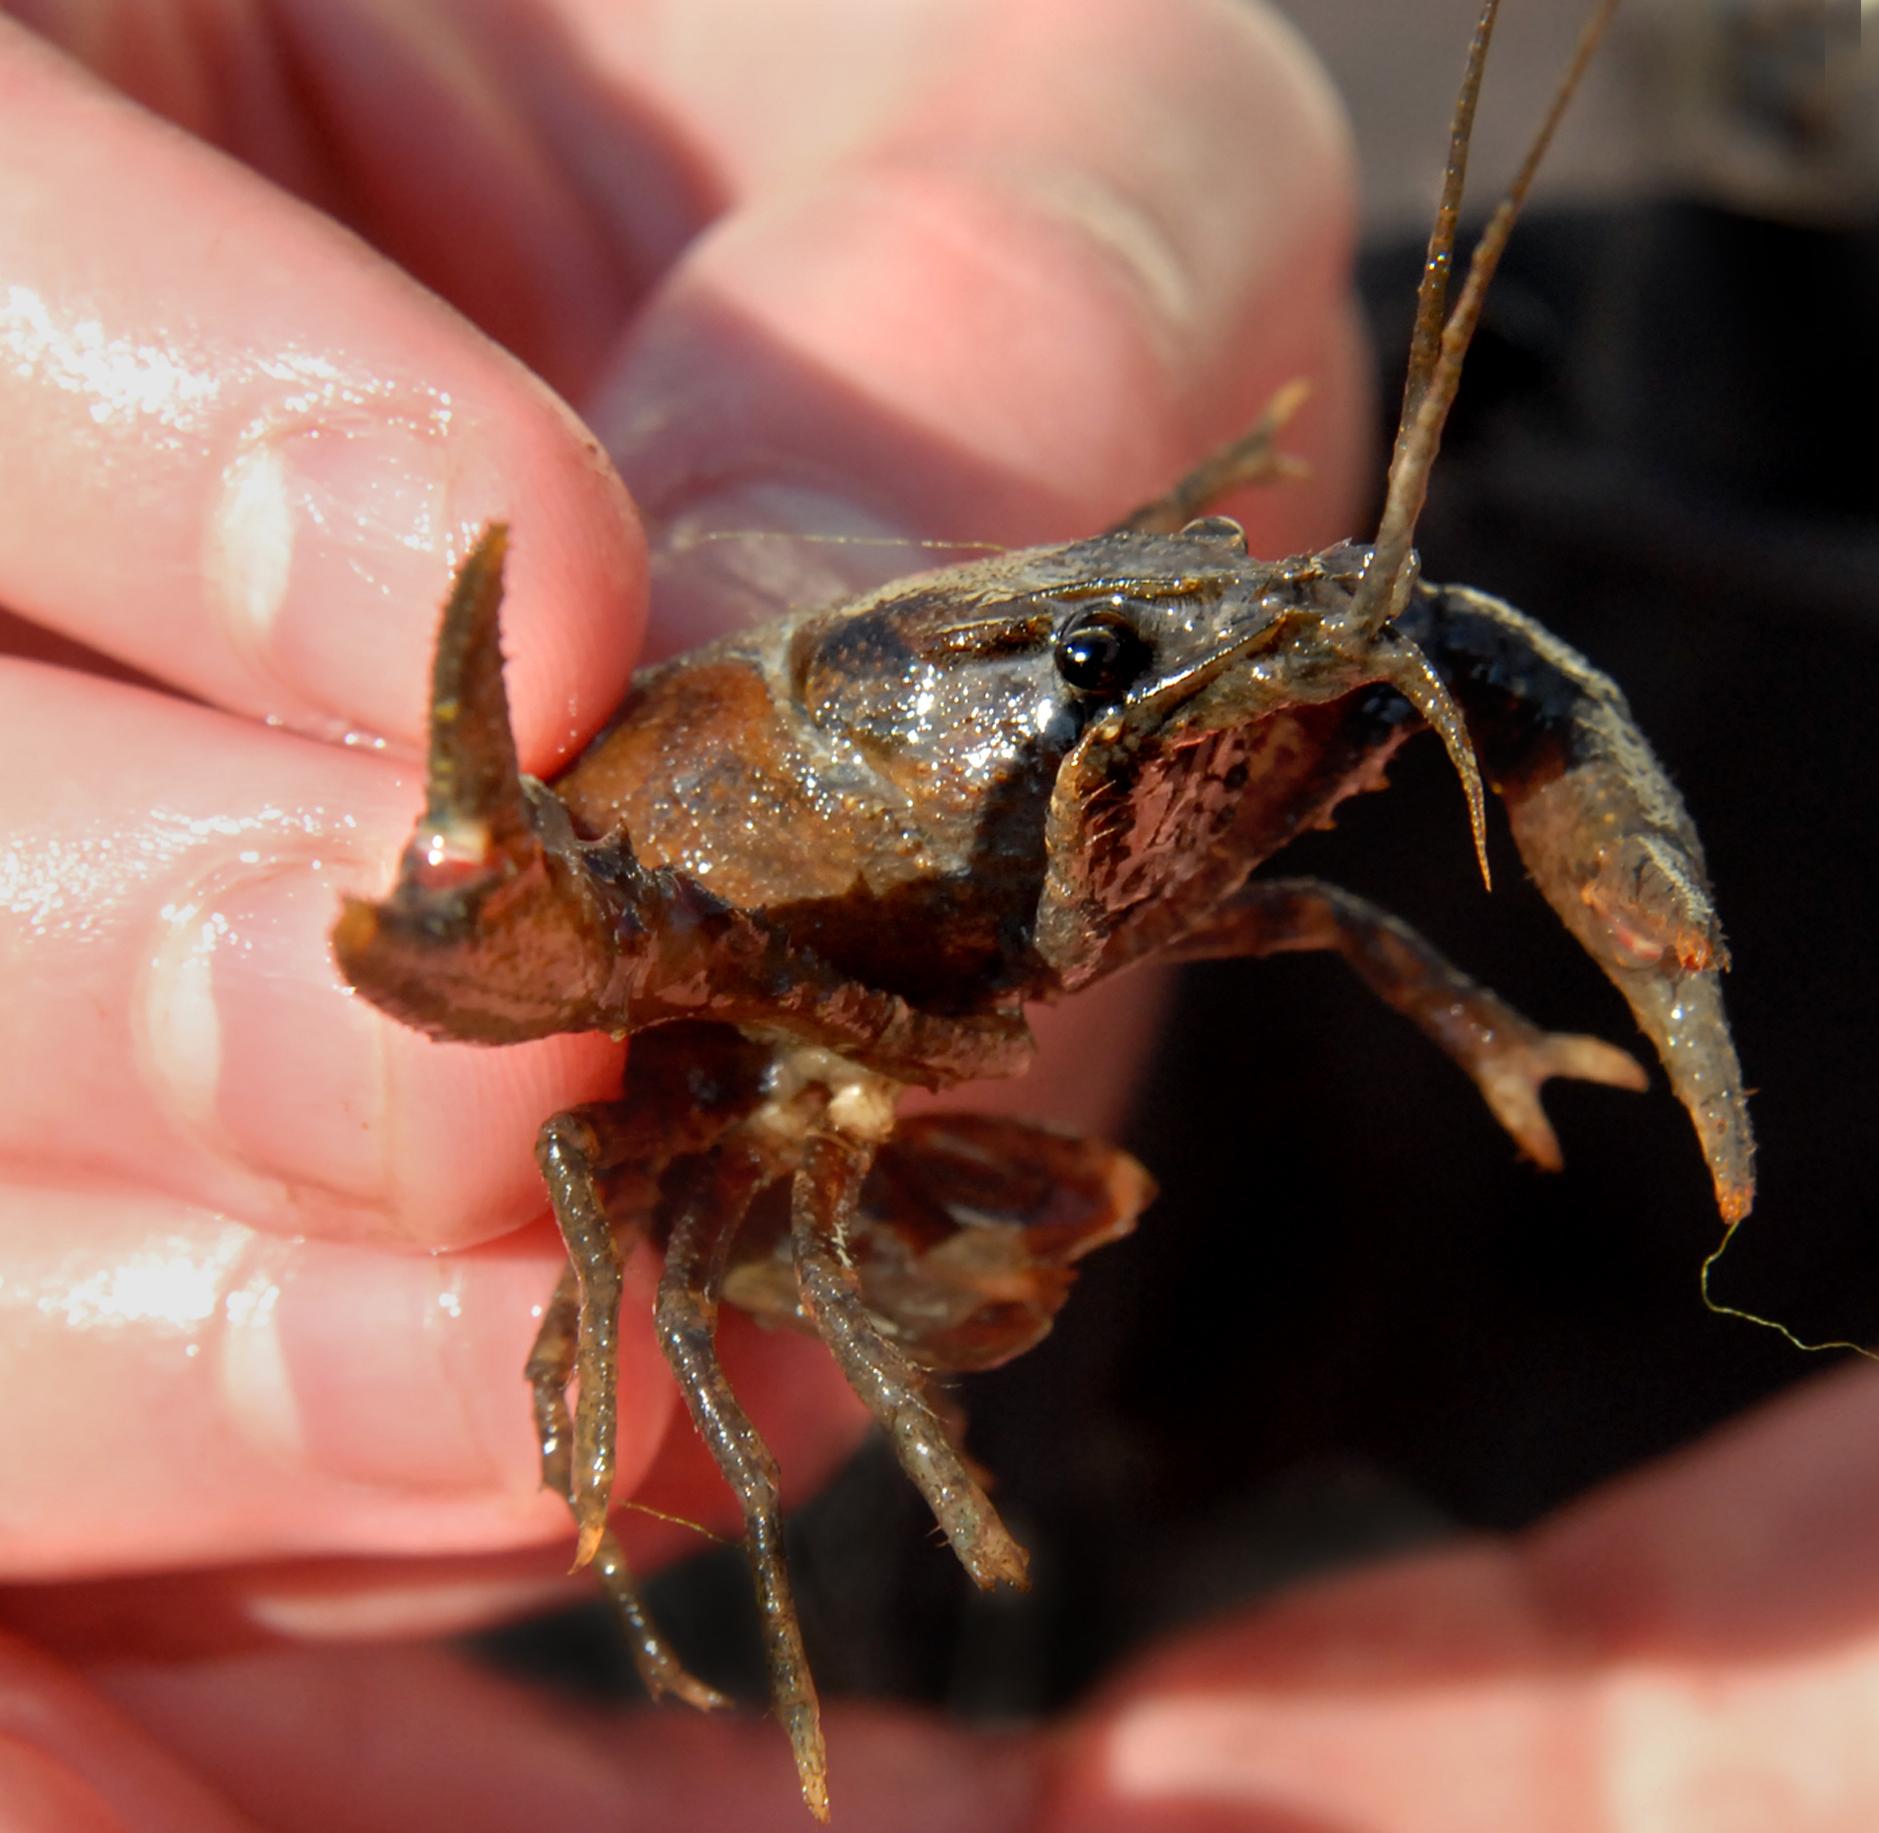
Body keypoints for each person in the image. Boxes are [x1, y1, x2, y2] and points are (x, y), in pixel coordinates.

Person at [2, 4, 1875, 1827]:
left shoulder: (1161, 753)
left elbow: (1397, 739)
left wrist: (1488, 1011)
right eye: (1088, 649)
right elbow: (500, 1005)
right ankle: (869, 1600)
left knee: (1423, 658)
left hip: (1336, 1210)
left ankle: (1511, 1080)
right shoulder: (714, 924)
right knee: (683, 1300)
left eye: (1167, 596)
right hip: (763, 1174)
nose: (1179, 651)